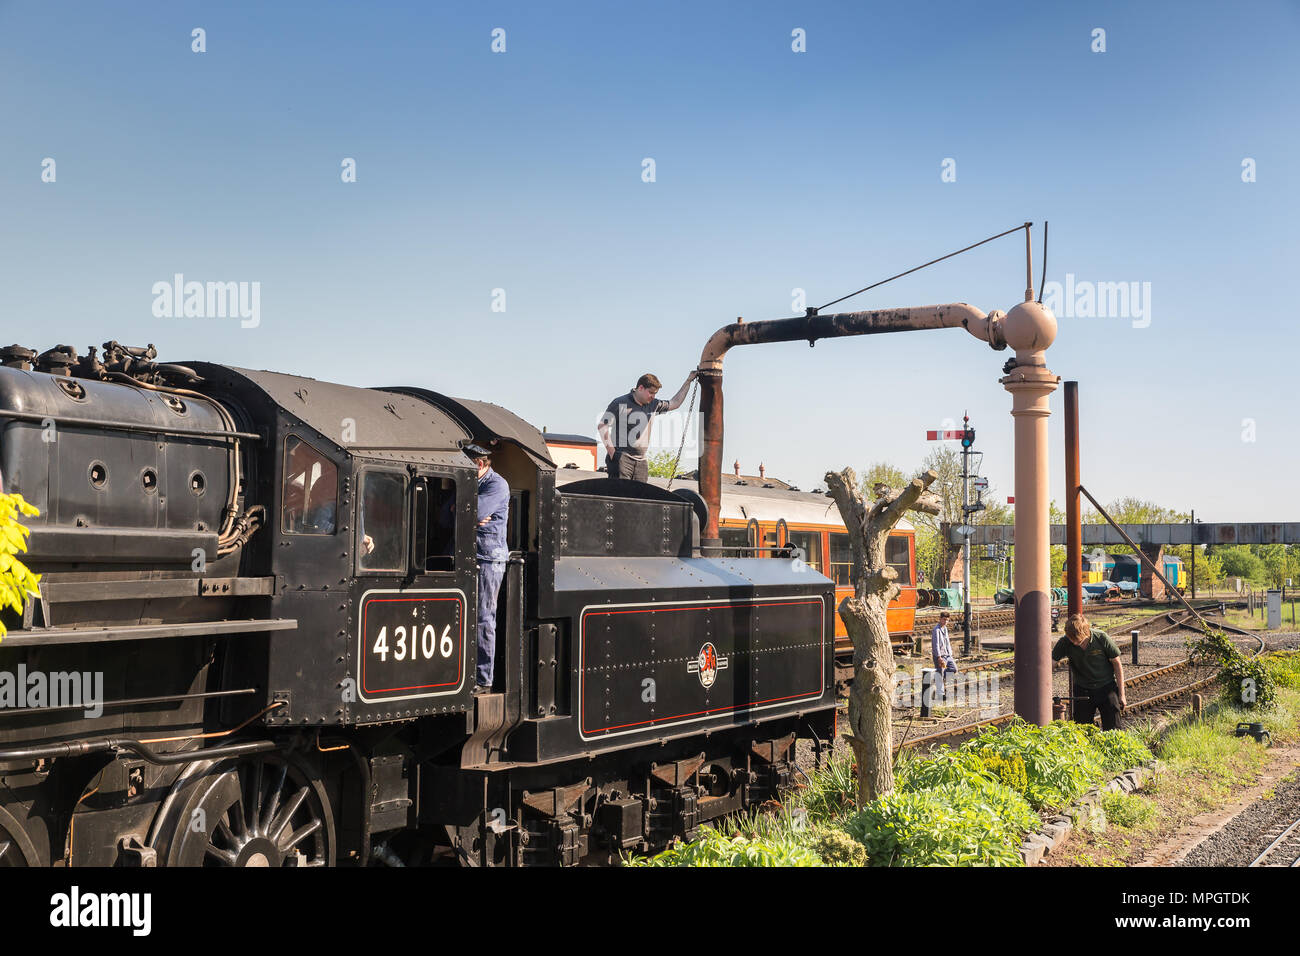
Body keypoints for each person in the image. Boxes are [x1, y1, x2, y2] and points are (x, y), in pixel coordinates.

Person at [465, 443, 511, 694]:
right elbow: (445, 515)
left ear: (479, 464)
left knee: (484, 618)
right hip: (469, 556)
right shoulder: (471, 485)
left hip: (487, 558)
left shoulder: (497, 485)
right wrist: (463, 513)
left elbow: (476, 513)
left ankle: (483, 679)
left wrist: (466, 512)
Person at [597, 371, 697, 482]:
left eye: (655, 394)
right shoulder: (620, 403)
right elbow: (602, 426)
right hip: (622, 458)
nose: (653, 396)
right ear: (640, 388)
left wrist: (688, 381)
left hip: (641, 461)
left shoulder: (654, 404)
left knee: (642, 496)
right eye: (651, 392)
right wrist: (612, 453)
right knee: (622, 494)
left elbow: (675, 403)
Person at [1052, 613, 1127, 730]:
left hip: (1106, 687)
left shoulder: (1101, 638)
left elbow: (1117, 665)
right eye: (1070, 639)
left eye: (1076, 640)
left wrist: (1122, 694)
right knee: (1082, 729)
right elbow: (1050, 664)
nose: (1073, 642)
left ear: (1085, 633)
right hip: (1083, 689)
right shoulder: (1065, 642)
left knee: (1113, 727)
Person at [930, 611, 959, 699]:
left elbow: (947, 642)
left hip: (947, 655)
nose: (945, 622)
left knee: (954, 668)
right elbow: (935, 644)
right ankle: (940, 695)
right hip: (940, 656)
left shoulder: (945, 628)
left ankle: (937, 677)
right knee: (940, 674)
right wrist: (939, 657)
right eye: (944, 619)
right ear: (940, 619)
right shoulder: (936, 630)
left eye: (947, 620)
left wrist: (950, 653)